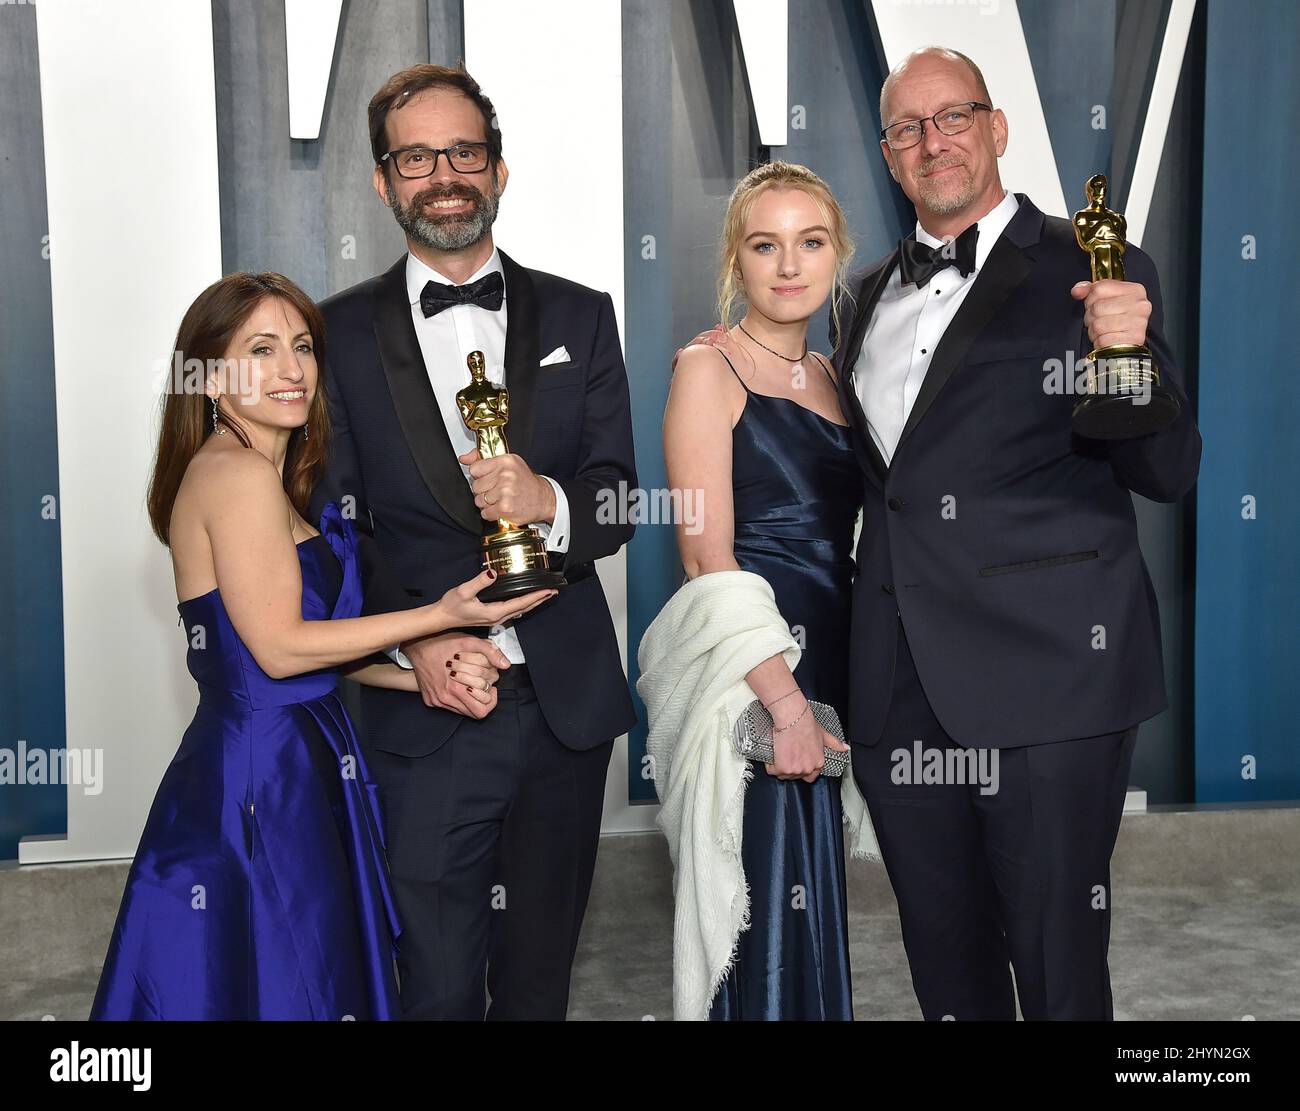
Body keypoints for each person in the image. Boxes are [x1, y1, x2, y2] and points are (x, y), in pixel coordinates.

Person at [831, 47, 1201, 1019]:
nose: (931, 141)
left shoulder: (1090, 271)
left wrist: (1124, 358)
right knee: (942, 961)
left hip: (1050, 676)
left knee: (1056, 962)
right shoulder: (859, 297)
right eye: (908, 127)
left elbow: (1163, 472)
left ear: (997, 129)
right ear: (886, 152)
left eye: (952, 117)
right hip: (899, 686)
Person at [90, 272, 552, 1020]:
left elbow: (296, 652)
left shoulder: (267, 478)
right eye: (262, 349)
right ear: (207, 374)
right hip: (259, 778)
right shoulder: (233, 474)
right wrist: (439, 614)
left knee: (296, 979)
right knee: (288, 981)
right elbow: (277, 650)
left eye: (301, 346)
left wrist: (420, 675)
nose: (292, 369)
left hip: (297, 759)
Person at [309, 63, 637, 1020]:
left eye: (463, 151)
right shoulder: (329, 334)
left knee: (539, 982)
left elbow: (618, 502)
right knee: (438, 990)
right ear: (383, 180)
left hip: (565, 711)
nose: (442, 173)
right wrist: (412, 643)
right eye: (416, 156)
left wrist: (547, 499)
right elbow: (327, 539)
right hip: (424, 717)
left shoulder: (583, 314)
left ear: (498, 170)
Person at [641, 162, 876, 1021]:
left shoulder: (835, 377)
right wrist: (783, 705)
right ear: (735, 263)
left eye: (810, 243)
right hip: (759, 680)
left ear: (836, 255)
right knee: (761, 907)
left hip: (833, 673)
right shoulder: (709, 370)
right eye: (764, 244)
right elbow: (707, 556)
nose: (788, 264)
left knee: (806, 898)